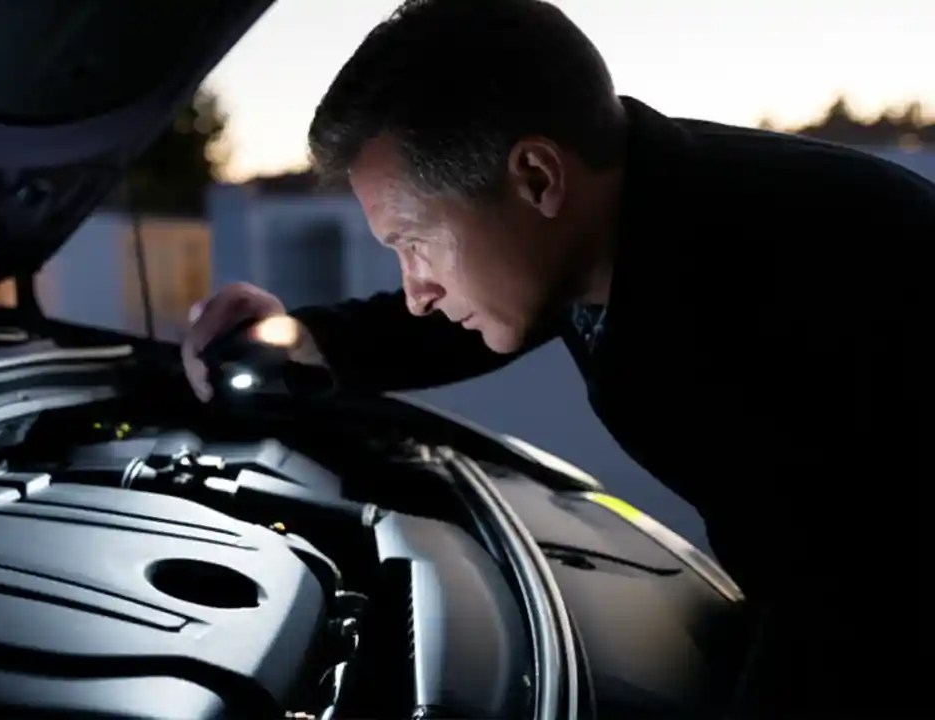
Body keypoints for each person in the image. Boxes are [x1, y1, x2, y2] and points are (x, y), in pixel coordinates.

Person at [183, 1, 927, 717]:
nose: (416, 290)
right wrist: (301, 335)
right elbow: (464, 314)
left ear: (537, 176)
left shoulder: (790, 288)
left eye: (414, 242)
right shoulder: (623, 209)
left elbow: (845, 611)